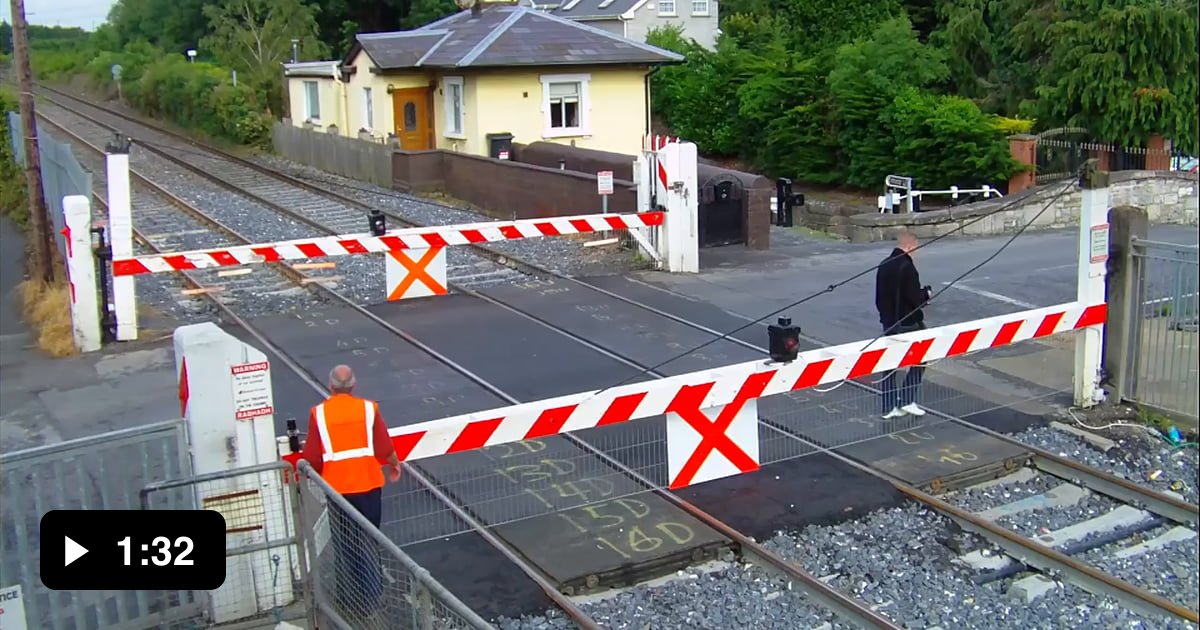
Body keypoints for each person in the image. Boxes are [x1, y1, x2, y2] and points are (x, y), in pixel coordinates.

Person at [302, 364, 401, 619]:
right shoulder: (369, 409)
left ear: (330, 385)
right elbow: (383, 446)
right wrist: (393, 463)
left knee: (346, 544)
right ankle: (372, 601)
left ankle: (350, 600)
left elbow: (312, 456)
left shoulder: (319, 414)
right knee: (368, 541)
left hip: (337, 491)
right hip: (368, 486)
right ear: (354, 385)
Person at [874, 231, 933, 419]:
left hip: (889, 322)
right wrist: (927, 295)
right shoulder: (907, 267)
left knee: (890, 363)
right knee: (920, 358)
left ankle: (888, 406)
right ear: (910, 246)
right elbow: (915, 298)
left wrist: (885, 317)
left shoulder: (884, 265)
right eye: (916, 248)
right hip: (909, 322)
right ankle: (907, 400)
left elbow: (879, 298)